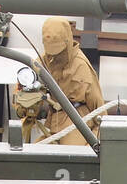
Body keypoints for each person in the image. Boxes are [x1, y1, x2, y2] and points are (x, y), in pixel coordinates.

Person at [38, 17, 104, 145]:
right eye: (50, 50)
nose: (54, 55)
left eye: (58, 50)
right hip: (53, 121)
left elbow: (99, 109)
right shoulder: (42, 62)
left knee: (71, 155)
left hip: (77, 121)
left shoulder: (81, 66)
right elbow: (24, 88)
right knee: (34, 154)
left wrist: (97, 138)